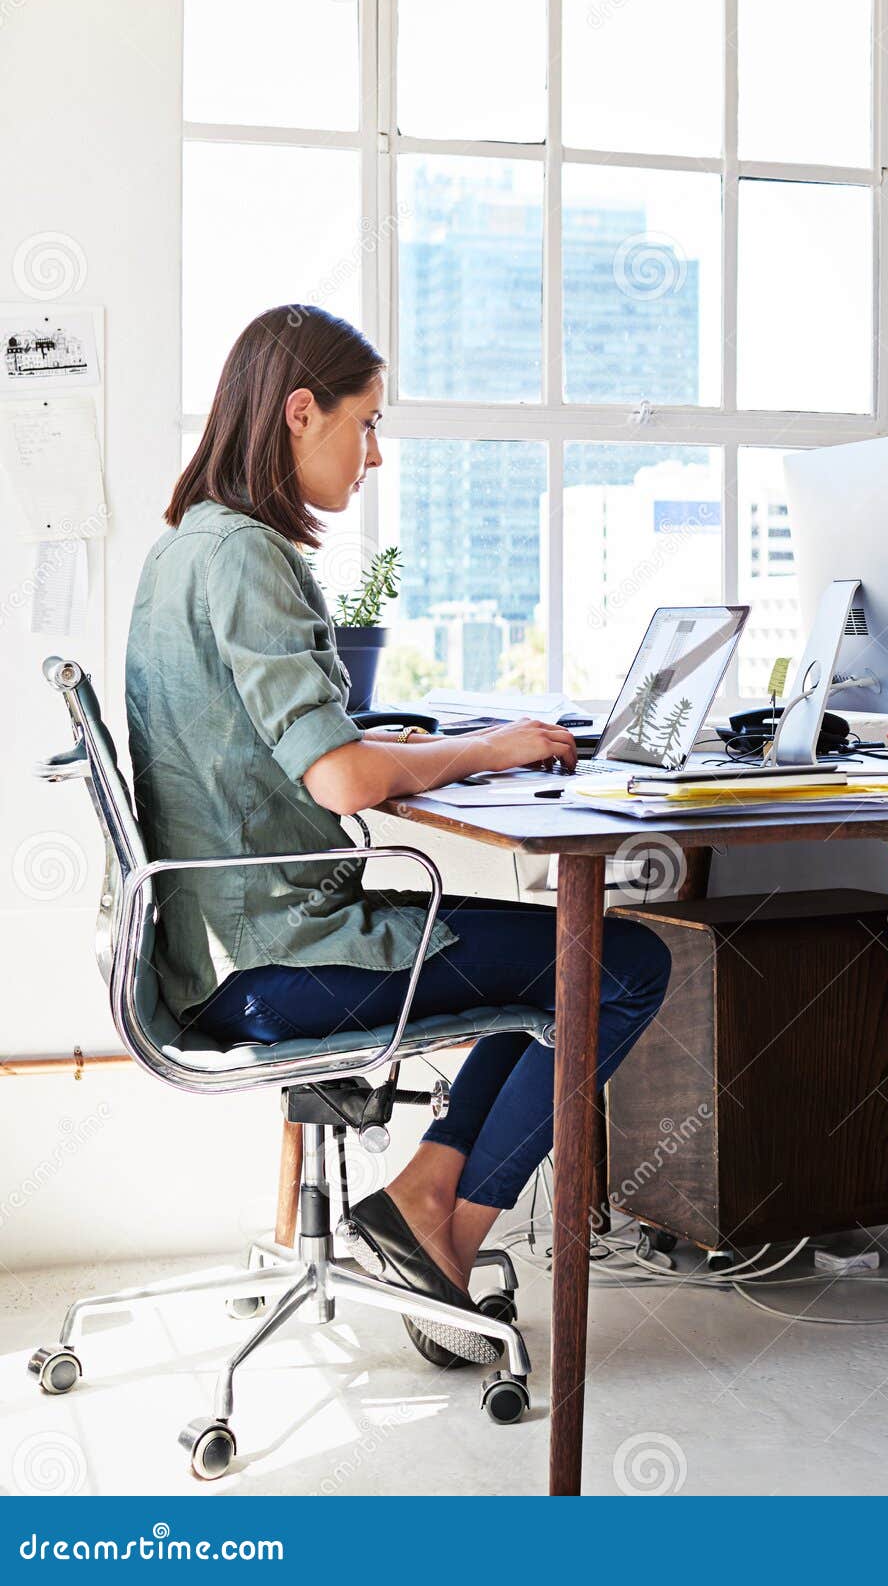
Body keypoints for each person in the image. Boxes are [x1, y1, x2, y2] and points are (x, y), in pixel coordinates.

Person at [127, 305, 671, 1364]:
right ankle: (443, 1226)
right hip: (280, 958)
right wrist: (486, 749)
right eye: (366, 422)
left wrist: (392, 739)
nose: (374, 454)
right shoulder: (247, 556)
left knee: (562, 959)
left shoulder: (185, 547)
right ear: (300, 412)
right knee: (622, 965)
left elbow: (254, 736)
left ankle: (426, 1194)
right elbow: (339, 781)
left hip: (220, 950)